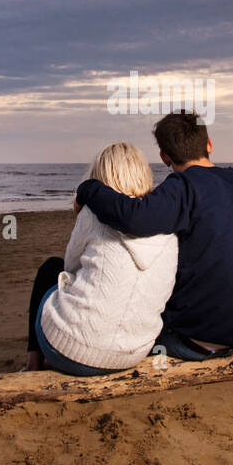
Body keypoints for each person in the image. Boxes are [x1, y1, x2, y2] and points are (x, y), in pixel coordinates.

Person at [74, 110, 233, 361]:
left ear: (164, 156)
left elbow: (133, 218)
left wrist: (89, 188)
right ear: (209, 144)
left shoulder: (183, 187)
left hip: (198, 339)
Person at [25, 142, 178, 374]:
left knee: (51, 269)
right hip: (133, 354)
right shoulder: (167, 223)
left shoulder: (93, 214)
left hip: (71, 351)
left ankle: (32, 365)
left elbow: (70, 267)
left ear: (100, 175)